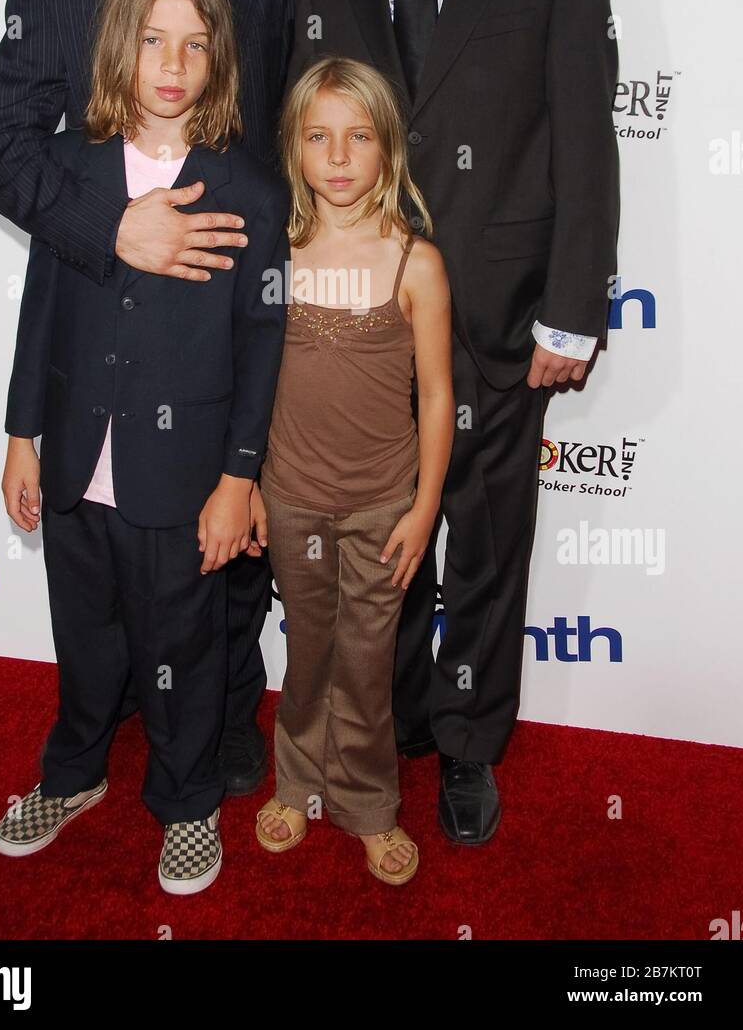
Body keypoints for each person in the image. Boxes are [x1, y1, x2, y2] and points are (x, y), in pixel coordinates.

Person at [285, 0, 620, 845]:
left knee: (479, 535)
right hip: (344, 321)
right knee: (367, 535)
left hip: (495, 300)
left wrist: (573, 307)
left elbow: (584, 130)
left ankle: (469, 740)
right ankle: (381, 719)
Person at [0, 0, 295, 795]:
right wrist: (112, 226)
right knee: (99, 569)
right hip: (99, 332)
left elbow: (306, 141)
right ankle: (100, 729)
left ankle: (219, 714)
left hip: (233, 338)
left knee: (227, 549)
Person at [0, 0, 289, 893]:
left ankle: (189, 797)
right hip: (78, 462)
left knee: (184, 649)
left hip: (184, 474)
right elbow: (42, 309)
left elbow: (262, 344)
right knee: (85, 639)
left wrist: (238, 479)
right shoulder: (72, 171)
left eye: (195, 44)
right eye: (154, 39)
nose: (173, 61)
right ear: (119, 49)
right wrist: (20, 436)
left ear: (218, 62)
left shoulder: (250, 190)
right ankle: (73, 774)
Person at [254, 58, 454, 884]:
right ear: (295, 148)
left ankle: (370, 804)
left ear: (388, 149)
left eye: (359, 137)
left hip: (383, 508)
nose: (338, 156)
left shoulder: (418, 264)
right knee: (307, 658)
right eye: (318, 137)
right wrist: (251, 488)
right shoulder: (274, 251)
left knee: (368, 665)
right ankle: (296, 781)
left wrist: (423, 508)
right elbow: (245, 383)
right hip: (290, 499)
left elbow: (439, 400)